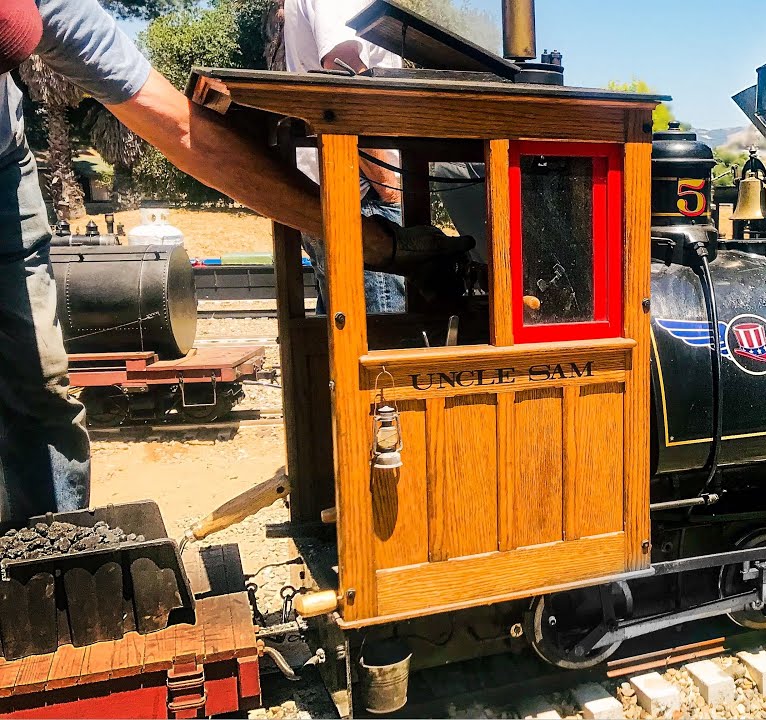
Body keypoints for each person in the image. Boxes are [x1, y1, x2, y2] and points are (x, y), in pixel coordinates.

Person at [0, 0, 460, 521]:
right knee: (378, 365)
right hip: (363, 193)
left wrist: (365, 236)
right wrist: (385, 207)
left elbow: (183, 130)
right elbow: (347, 89)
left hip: (2, 159)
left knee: (37, 382)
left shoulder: (56, 9)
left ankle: (50, 547)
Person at [282, 0, 407, 315]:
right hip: (367, 201)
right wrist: (390, 187)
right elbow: (343, 73)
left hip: (350, 193)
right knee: (381, 346)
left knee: (341, 338)